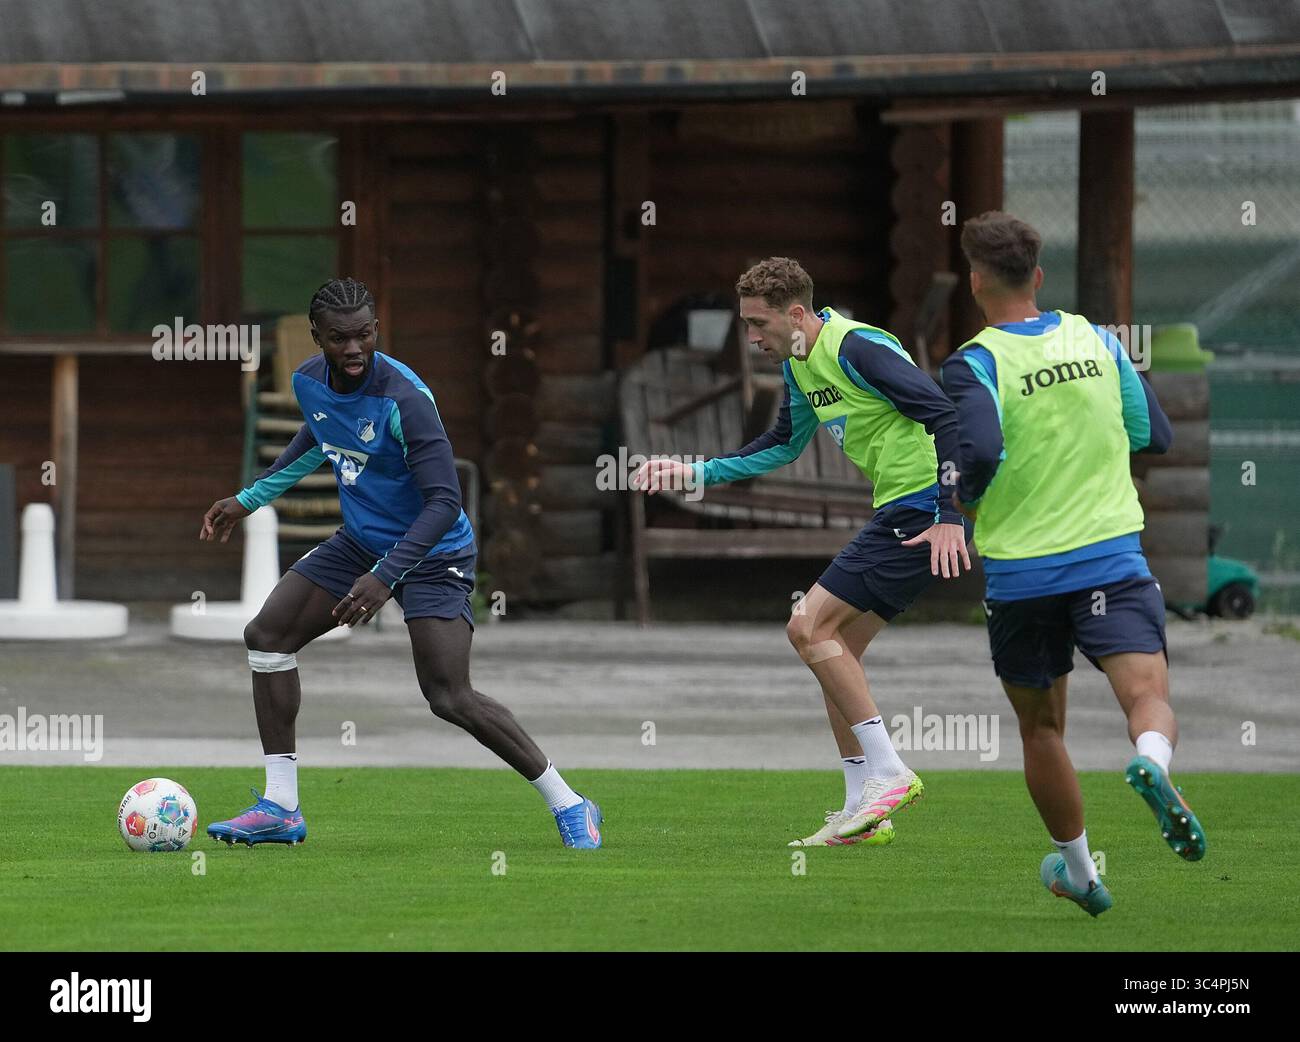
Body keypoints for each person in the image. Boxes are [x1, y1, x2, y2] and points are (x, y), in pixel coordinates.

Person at [199, 277, 602, 849]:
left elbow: (445, 501)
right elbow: (317, 437)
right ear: (317, 338)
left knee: (448, 695)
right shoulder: (309, 381)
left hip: (435, 554)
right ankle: (281, 807)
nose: (354, 348)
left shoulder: (404, 400)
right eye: (340, 338)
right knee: (266, 636)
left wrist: (387, 576)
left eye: (364, 335)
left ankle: (571, 802)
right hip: (361, 542)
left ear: (376, 332)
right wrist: (248, 499)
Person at [634, 257, 971, 847]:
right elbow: (782, 447)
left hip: (919, 508)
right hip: (901, 507)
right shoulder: (799, 363)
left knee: (805, 626)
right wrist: (694, 470)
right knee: (834, 654)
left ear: (796, 314)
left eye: (759, 324)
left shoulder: (857, 347)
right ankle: (860, 812)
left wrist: (950, 514)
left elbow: (942, 412)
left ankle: (890, 774)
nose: (752, 338)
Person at [940, 211, 1205, 917]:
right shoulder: (1097, 339)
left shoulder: (975, 361)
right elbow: (1155, 432)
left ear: (974, 281)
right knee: (1146, 695)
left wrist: (960, 501)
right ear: (1039, 276)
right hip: (1110, 558)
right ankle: (1152, 760)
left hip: (1024, 577)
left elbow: (983, 451)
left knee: (1042, 729)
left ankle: (1082, 873)